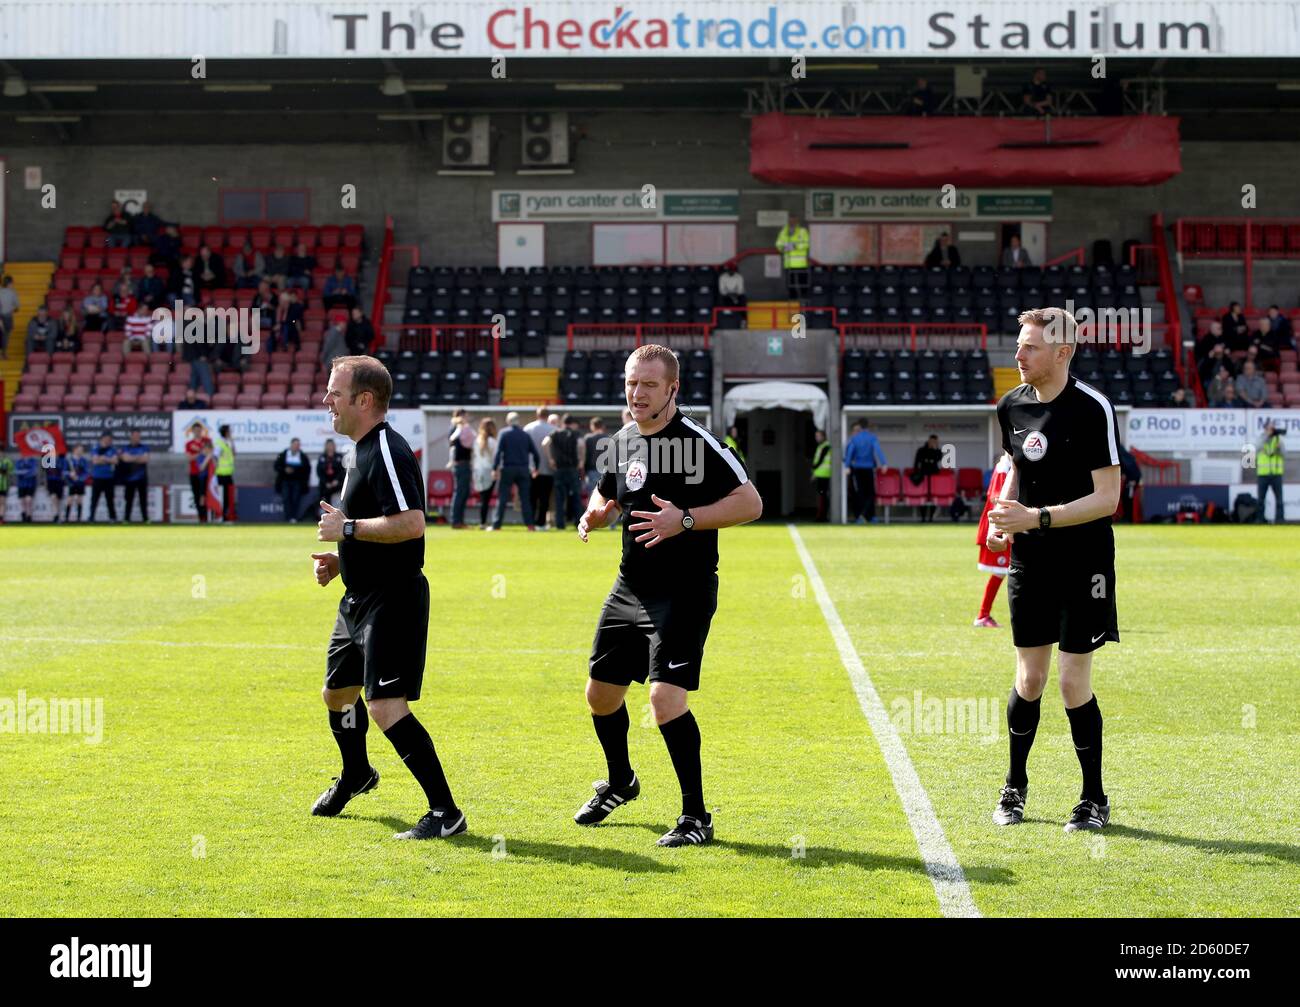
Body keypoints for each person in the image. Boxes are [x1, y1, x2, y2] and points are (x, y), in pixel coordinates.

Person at [574, 343, 763, 847]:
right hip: (629, 584)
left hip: (684, 590)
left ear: (673, 389)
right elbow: (610, 490)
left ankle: (696, 817)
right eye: (632, 383)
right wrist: (597, 511)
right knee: (600, 694)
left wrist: (684, 520)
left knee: (664, 699)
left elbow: (750, 502)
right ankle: (620, 782)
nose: (637, 393)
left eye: (649, 385)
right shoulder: (622, 439)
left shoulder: (699, 443)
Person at [310, 354, 465, 840]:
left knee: (384, 705)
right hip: (358, 596)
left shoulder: (386, 450)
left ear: (364, 399)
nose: (326, 400)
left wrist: (346, 528)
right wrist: (343, 559)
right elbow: (379, 529)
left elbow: (412, 524)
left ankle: (446, 813)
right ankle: (357, 773)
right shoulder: (361, 449)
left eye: (334, 392)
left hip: (392, 597)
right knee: (338, 695)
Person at [987, 307, 1122, 833]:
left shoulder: (1092, 409)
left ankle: (1093, 799)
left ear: (1062, 352)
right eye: (1019, 345)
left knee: (1071, 681)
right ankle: (1015, 786)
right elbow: (1017, 470)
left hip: (1084, 563)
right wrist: (1004, 516)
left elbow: (1107, 498)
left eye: (1030, 348)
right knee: (1030, 677)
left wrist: (1037, 518)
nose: (1018, 355)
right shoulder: (1011, 406)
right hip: (1030, 563)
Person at [974, 454, 1015, 628]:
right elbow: (996, 499)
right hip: (1000, 528)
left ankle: (984, 615)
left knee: (1005, 572)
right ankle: (983, 615)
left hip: (1005, 526)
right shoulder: (1003, 468)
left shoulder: (1007, 467)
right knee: (1002, 571)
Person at [490, 411, 539, 531]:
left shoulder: (504, 433)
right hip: (523, 469)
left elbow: (498, 453)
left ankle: (496, 525)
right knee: (525, 499)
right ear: (518, 421)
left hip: (508, 468)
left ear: (508, 421)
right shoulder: (525, 435)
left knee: (502, 498)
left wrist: (494, 468)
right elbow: (536, 454)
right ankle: (530, 525)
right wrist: (535, 468)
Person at [844, 418, 887, 523]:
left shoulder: (855, 438)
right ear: (868, 426)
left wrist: (847, 466)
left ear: (860, 426)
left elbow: (850, 453)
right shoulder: (872, 437)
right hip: (868, 468)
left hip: (858, 469)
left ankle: (863, 517)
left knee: (861, 493)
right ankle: (869, 516)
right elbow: (878, 450)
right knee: (870, 493)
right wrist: (884, 463)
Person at [547, 414, 583, 531]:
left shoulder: (555, 433)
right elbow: (581, 445)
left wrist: (551, 459)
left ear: (563, 423)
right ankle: (578, 522)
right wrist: (581, 460)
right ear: (572, 424)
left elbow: (545, 443)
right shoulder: (575, 434)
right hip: (572, 469)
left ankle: (560, 524)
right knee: (576, 497)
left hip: (559, 469)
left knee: (559, 498)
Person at [524, 406, 557, 529]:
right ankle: (541, 522)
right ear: (548, 416)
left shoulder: (528, 428)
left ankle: (530, 521)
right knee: (544, 497)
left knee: (531, 496)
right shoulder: (554, 429)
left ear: (537, 415)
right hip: (548, 469)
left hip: (531, 468)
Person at [447, 410, 474, 529]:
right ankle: (456, 521)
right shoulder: (455, 429)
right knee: (460, 493)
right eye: (465, 415)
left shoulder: (460, 428)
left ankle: (459, 521)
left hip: (463, 464)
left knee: (463, 493)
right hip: (461, 464)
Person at [1255, 421, 1286, 524]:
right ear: (1265, 429)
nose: (1272, 430)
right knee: (1260, 500)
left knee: (1279, 500)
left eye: (1272, 428)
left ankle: (1280, 519)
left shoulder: (1278, 440)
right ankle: (1260, 519)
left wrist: (1279, 449)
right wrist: (1266, 436)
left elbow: (1284, 454)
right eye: (1269, 428)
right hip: (1263, 474)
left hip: (1276, 473)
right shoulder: (1260, 438)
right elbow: (1256, 448)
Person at [275, 437, 311, 523]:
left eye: (298, 445)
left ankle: (294, 517)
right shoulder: (283, 454)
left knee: (296, 499)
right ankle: (288, 517)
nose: (296, 447)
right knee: (286, 498)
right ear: (291, 445)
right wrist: (285, 469)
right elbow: (276, 466)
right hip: (285, 481)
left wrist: (297, 471)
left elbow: (307, 469)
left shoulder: (302, 456)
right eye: (295, 445)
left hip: (297, 481)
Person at [775, 214, 810, 298]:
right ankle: (793, 298)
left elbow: (807, 244)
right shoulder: (783, 232)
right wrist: (783, 248)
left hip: (801, 263)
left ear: (797, 221)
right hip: (788, 263)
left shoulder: (802, 231)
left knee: (803, 282)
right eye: (790, 221)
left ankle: (804, 297)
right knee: (790, 283)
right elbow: (778, 244)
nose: (792, 222)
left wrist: (795, 246)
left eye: (794, 221)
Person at [471, 418, 498, 529]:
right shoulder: (493, 441)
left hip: (478, 471)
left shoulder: (477, 440)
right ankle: (483, 522)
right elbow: (495, 458)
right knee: (486, 499)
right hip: (489, 471)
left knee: (483, 499)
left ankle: (482, 522)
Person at [911, 434, 944, 523]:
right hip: (923, 476)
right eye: (931, 441)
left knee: (933, 497)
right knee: (923, 496)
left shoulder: (938, 451)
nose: (933, 443)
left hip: (934, 478)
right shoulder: (921, 450)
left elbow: (938, 459)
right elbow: (916, 463)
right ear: (928, 440)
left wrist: (935, 448)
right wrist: (916, 474)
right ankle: (923, 518)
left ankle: (930, 518)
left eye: (935, 442)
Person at [119, 430, 150, 523]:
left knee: (143, 499)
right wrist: (138, 457)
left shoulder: (144, 447)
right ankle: (126, 518)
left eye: (138, 436)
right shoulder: (125, 448)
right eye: (135, 436)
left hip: (142, 477)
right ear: (131, 436)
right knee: (129, 499)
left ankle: (145, 518)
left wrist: (132, 458)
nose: (137, 438)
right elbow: (125, 459)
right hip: (129, 478)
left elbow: (145, 459)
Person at [185, 422, 213, 523]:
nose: (197, 432)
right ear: (192, 431)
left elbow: (210, 452)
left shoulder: (207, 441)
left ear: (202, 430)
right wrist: (201, 452)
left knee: (204, 495)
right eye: (195, 430)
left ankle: (206, 515)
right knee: (196, 495)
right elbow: (189, 458)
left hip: (205, 473)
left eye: (199, 430)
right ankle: (201, 516)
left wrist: (198, 452)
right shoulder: (189, 444)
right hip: (194, 473)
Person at [88, 433, 120, 523]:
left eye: (110, 439)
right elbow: (95, 461)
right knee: (94, 498)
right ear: (102, 439)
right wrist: (108, 460)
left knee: (110, 499)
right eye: (107, 439)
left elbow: (115, 461)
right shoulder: (96, 448)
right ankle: (91, 517)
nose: (109, 441)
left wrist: (103, 458)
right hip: (97, 477)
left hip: (109, 477)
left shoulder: (112, 449)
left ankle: (112, 517)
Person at [212, 424, 236, 522]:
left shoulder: (227, 442)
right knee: (223, 496)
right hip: (221, 474)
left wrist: (232, 442)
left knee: (228, 496)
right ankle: (220, 516)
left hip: (228, 474)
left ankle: (226, 515)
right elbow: (215, 457)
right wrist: (214, 471)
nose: (231, 433)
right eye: (229, 431)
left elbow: (234, 454)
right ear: (226, 432)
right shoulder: (219, 443)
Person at [582, 417, 609, 498]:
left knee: (592, 495)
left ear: (592, 426)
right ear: (602, 426)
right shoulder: (610, 438)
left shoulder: (588, 438)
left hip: (592, 470)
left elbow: (584, 455)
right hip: (606, 471)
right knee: (604, 495)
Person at [316, 438, 345, 511]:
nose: (330, 447)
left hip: (337, 484)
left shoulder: (339, 457)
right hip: (325, 485)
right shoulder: (322, 457)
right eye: (328, 445)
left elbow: (342, 471)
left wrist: (336, 480)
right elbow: (319, 472)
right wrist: (326, 482)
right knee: (325, 500)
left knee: (338, 502)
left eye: (331, 445)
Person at [63, 445, 90, 522]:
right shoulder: (69, 460)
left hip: (80, 483)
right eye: (79, 450)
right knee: (70, 499)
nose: (80, 451)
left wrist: (80, 478)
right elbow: (64, 471)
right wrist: (70, 474)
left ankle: (79, 519)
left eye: (82, 450)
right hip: (71, 483)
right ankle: (66, 518)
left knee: (79, 500)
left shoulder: (84, 460)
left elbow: (86, 472)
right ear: (75, 450)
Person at [811, 428, 832, 522]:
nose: (816, 438)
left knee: (822, 497)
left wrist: (814, 471)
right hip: (820, 474)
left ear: (823, 436)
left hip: (824, 475)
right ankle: (821, 516)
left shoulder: (825, 446)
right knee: (821, 497)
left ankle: (822, 517)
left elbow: (819, 461)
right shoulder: (821, 446)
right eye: (816, 436)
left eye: (818, 436)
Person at [276, 288, 305, 352]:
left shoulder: (295, 307)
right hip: (282, 327)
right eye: (282, 301)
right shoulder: (278, 310)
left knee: (289, 325)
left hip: (293, 323)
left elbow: (294, 319)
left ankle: (287, 345)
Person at [14, 453, 40, 523]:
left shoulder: (33, 461)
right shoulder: (19, 461)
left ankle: (29, 516)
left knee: (29, 500)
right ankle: (24, 515)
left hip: (30, 484)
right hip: (21, 484)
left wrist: (24, 473)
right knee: (22, 501)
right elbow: (16, 471)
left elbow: (34, 472)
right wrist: (27, 472)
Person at [44, 451, 65, 523]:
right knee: (53, 497)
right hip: (51, 482)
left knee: (59, 500)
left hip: (59, 481)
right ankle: (55, 515)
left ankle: (58, 516)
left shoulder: (61, 460)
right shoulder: (46, 461)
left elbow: (63, 470)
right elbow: (44, 471)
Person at [0, 276, 18, 359]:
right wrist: (12, 309)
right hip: (7, 316)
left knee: (4, 335)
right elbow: (17, 307)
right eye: (12, 283)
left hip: (4, 316)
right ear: (10, 283)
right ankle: (4, 353)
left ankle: (3, 353)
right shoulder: (12, 292)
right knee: (5, 335)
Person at [0, 452, 12, 523]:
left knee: (2, 503)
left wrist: (5, 471)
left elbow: (10, 472)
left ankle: (1, 518)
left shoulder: (7, 461)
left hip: (3, 486)